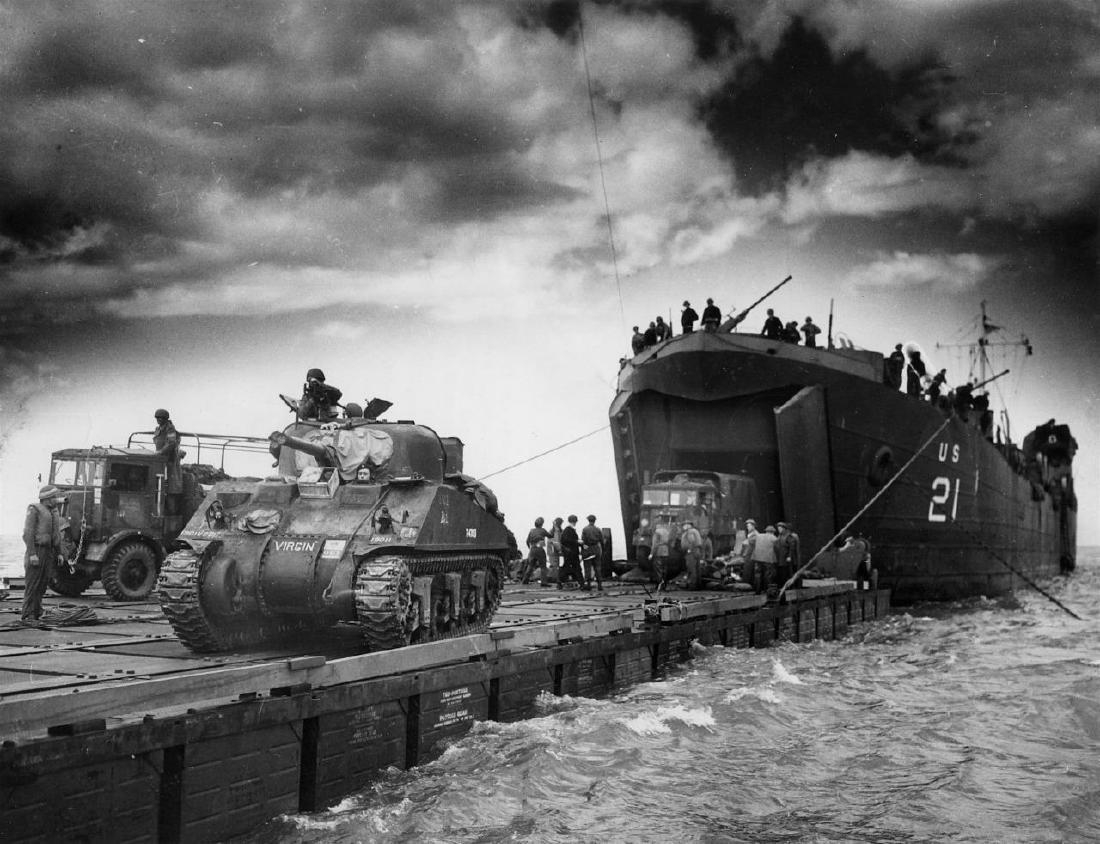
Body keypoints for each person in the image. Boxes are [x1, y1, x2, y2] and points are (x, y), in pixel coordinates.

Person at [22, 485, 66, 623]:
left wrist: (59, 553)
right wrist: (32, 554)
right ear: (47, 498)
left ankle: (36, 611)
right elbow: (28, 533)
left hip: (49, 551)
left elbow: (56, 535)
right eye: (53, 497)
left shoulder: (53, 512)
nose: (56, 499)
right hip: (37, 550)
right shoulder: (34, 510)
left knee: (42, 583)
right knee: (33, 583)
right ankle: (27, 614)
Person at [153, 409, 184, 509]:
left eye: (161, 418)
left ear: (166, 419)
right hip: (160, 459)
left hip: (170, 460)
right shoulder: (158, 429)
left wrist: (161, 452)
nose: (159, 420)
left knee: (171, 488)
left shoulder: (170, 429)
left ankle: (171, 511)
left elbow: (171, 443)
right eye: (157, 418)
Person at [559, 515, 585, 589]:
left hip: (569, 553)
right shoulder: (569, 530)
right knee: (575, 568)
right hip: (571, 553)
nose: (575, 523)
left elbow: (564, 541)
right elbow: (565, 540)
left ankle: (559, 582)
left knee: (567, 567)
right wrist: (577, 541)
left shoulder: (567, 530)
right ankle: (582, 584)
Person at [580, 514, 604, 591]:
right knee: (597, 567)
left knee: (587, 567)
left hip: (588, 549)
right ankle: (599, 584)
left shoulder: (585, 529)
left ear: (588, 520)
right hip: (596, 549)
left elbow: (583, 540)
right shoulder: (598, 529)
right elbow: (602, 540)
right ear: (594, 520)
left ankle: (588, 584)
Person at [775, 521, 801, 591]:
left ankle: (792, 586)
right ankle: (785, 586)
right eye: (778, 528)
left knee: (789, 573)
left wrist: (789, 556)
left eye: (780, 528)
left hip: (786, 558)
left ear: (784, 528)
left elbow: (792, 547)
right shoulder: (779, 536)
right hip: (781, 557)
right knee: (783, 572)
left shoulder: (788, 536)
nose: (779, 529)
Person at [680, 519, 704, 589]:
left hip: (692, 552)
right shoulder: (695, 531)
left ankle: (692, 585)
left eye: (684, 525)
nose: (683, 526)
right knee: (697, 569)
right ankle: (698, 585)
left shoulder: (689, 532)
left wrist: (689, 550)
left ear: (688, 525)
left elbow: (692, 540)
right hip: (697, 551)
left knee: (691, 569)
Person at [652, 520, 672, 590]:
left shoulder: (657, 532)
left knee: (658, 569)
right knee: (664, 569)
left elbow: (654, 544)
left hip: (659, 551)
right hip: (666, 551)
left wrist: (651, 553)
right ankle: (664, 585)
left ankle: (659, 586)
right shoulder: (667, 532)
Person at [546, 517, 563, 585]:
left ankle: (554, 578)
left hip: (553, 550)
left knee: (554, 565)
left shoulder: (554, 530)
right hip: (553, 550)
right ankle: (556, 579)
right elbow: (556, 541)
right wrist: (560, 550)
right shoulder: (556, 531)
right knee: (555, 565)